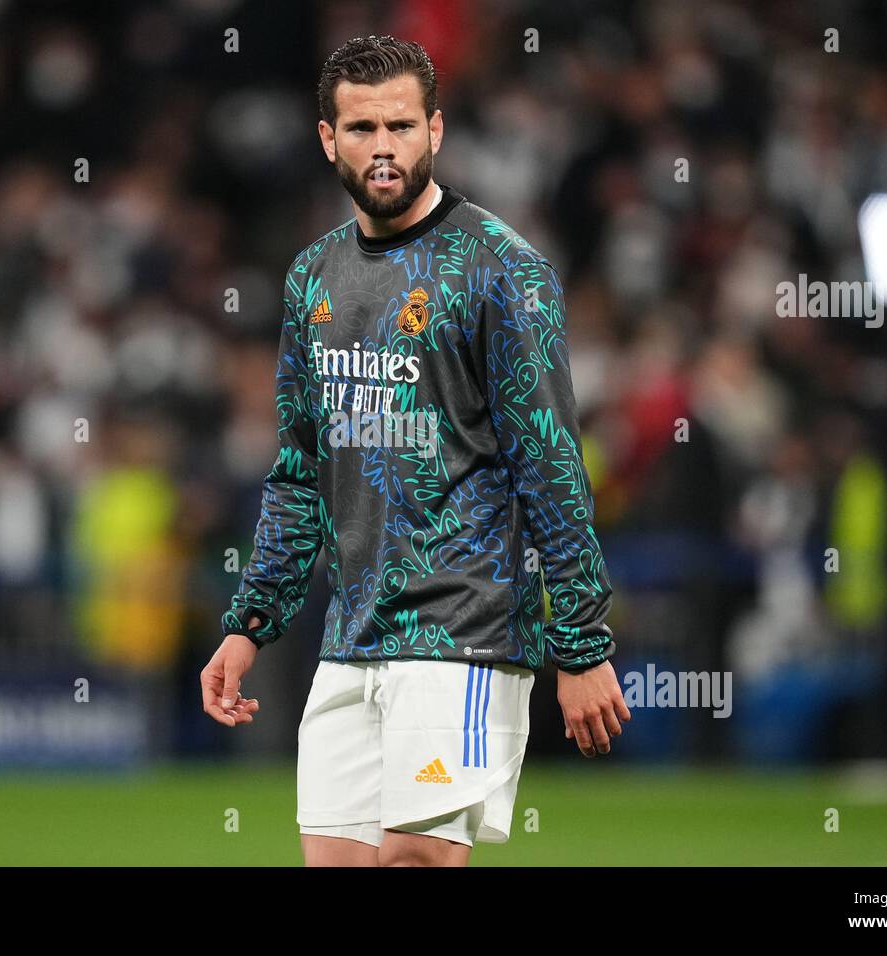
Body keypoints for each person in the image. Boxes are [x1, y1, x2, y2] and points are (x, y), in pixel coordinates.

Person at [201, 35, 630, 867]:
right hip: (351, 633)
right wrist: (251, 625)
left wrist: (580, 642)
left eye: (402, 125)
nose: (384, 146)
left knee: (414, 861)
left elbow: (551, 466)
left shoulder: (501, 268)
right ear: (328, 139)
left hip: (462, 632)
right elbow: (299, 473)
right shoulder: (311, 279)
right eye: (362, 129)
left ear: (436, 129)